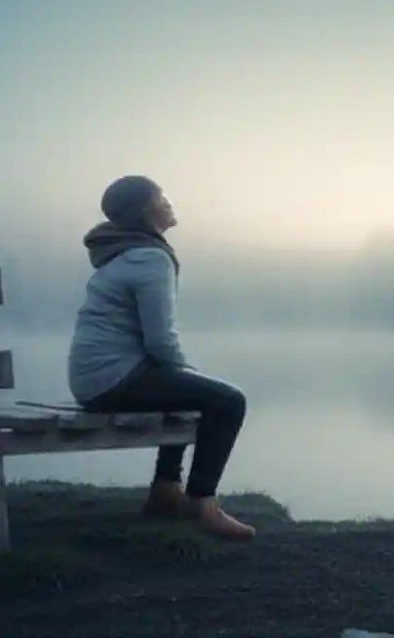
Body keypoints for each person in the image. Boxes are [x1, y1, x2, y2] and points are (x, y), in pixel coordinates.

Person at [67, 175, 255, 540]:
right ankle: (203, 504)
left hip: (94, 379)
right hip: (113, 381)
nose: (169, 202)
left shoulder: (123, 255)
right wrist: (188, 372)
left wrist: (186, 376)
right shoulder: (150, 258)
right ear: (147, 209)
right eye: (162, 197)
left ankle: (166, 492)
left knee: (187, 388)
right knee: (228, 401)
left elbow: (157, 351)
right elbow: (160, 341)